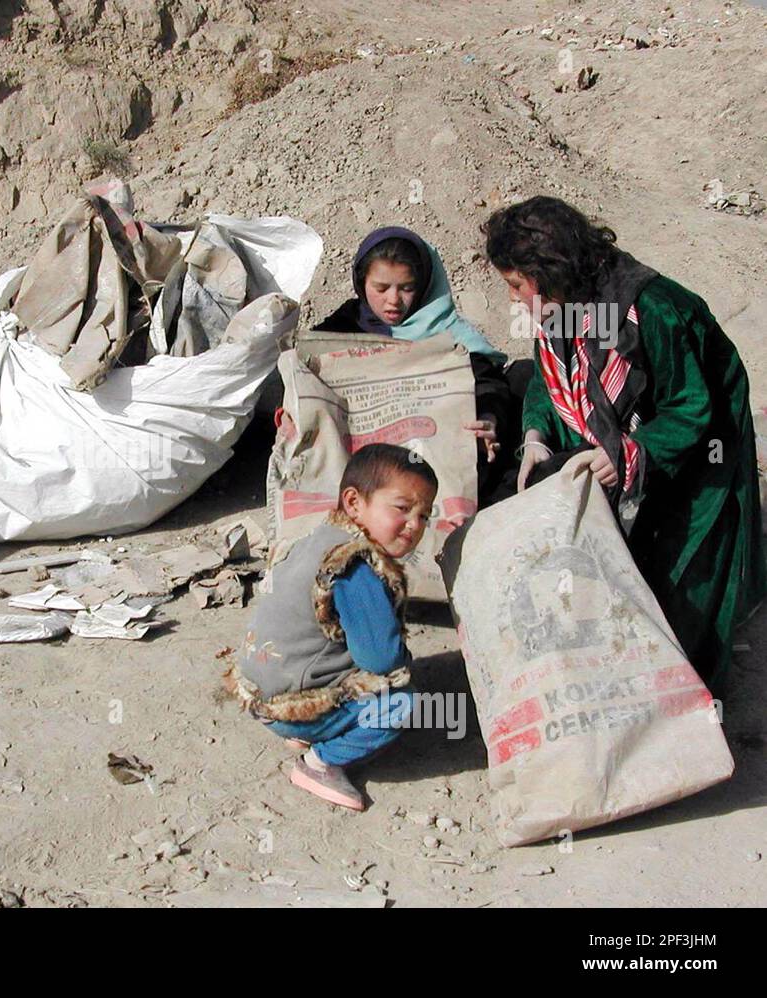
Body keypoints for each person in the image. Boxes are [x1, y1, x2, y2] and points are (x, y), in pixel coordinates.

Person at [485, 195, 765, 687]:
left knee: (687, 574)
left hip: (696, 449)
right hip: (627, 447)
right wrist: (535, 437)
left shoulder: (654, 311)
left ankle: (691, 700)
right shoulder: (563, 307)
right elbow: (550, 384)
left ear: (547, 271)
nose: (512, 298)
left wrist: (629, 454)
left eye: (515, 284)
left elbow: (692, 407)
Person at [225, 443, 437, 811]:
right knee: (405, 703)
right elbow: (382, 660)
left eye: (424, 516)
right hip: (288, 704)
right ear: (354, 502)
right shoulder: (355, 565)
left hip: (261, 687)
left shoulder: (322, 538)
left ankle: (307, 727)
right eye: (402, 509)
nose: (414, 525)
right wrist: (401, 658)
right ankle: (320, 762)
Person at [314, 226, 516, 504]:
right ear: (362, 283)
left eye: (407, 288)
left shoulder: (447, 332)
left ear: (423, 286)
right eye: (381, 288)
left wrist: (489, 418)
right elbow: (308, 365)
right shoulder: (345, 325)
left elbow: (485, 381)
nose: (393, 300)